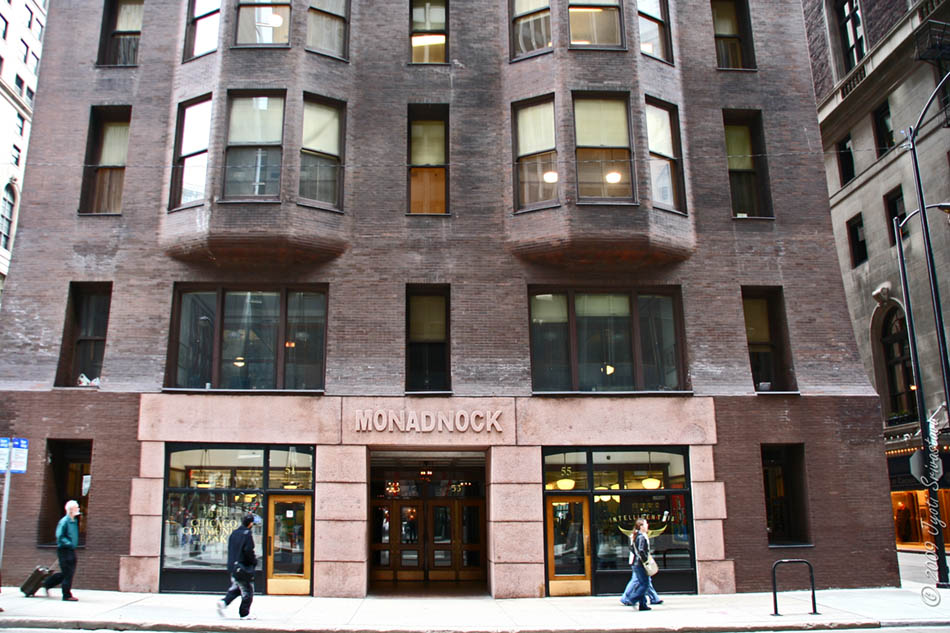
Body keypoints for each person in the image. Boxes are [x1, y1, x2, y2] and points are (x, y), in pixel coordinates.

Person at [216, 514, 258, 620]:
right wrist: (253, 562)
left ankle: (224, 602)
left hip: (233, 567)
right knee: (247, 590)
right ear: (250, 523)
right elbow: (248, 551)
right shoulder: (247, 534)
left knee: (238, 587)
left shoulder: (234, 533)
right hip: (242, 567)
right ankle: (244, 613)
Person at [42, 500, 81, 601]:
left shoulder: (74, 521)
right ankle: (66, 595)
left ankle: (47, 583)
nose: (78, 509)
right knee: (68, 573)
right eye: (76, 507)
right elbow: (59, 536)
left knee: (67, 573)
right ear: (71, 510)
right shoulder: (64, 521)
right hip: (64, 550)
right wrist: (69, 544)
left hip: (71, 550)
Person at [619, 518, 653, 611]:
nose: (647, 526)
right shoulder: (641, 536)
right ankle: (632, 598)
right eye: (646, 524)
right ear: (641, 526)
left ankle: (643, 604)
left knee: (641, 583)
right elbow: (641, 550)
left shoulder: (636, 535)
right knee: (644, 584)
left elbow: (632, 549)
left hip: (636, 563)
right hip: (640, 564)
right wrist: (646, 561)